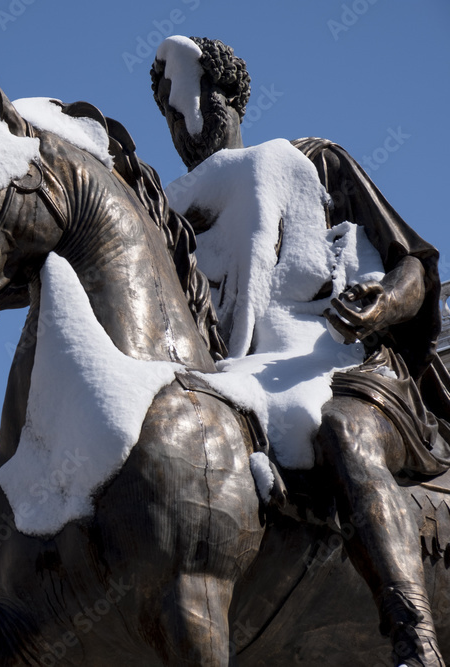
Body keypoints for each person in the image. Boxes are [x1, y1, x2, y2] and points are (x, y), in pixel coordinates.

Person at [150, 35, 450, 667]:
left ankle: (413, 636)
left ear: (227, 98)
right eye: (168, 116)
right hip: (242, 384)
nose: (181, 125)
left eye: (187, 104)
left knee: (341, 431)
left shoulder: (314, 161)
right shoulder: (176, 216)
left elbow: (413, 266)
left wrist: (378, 305)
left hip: (349, 372)